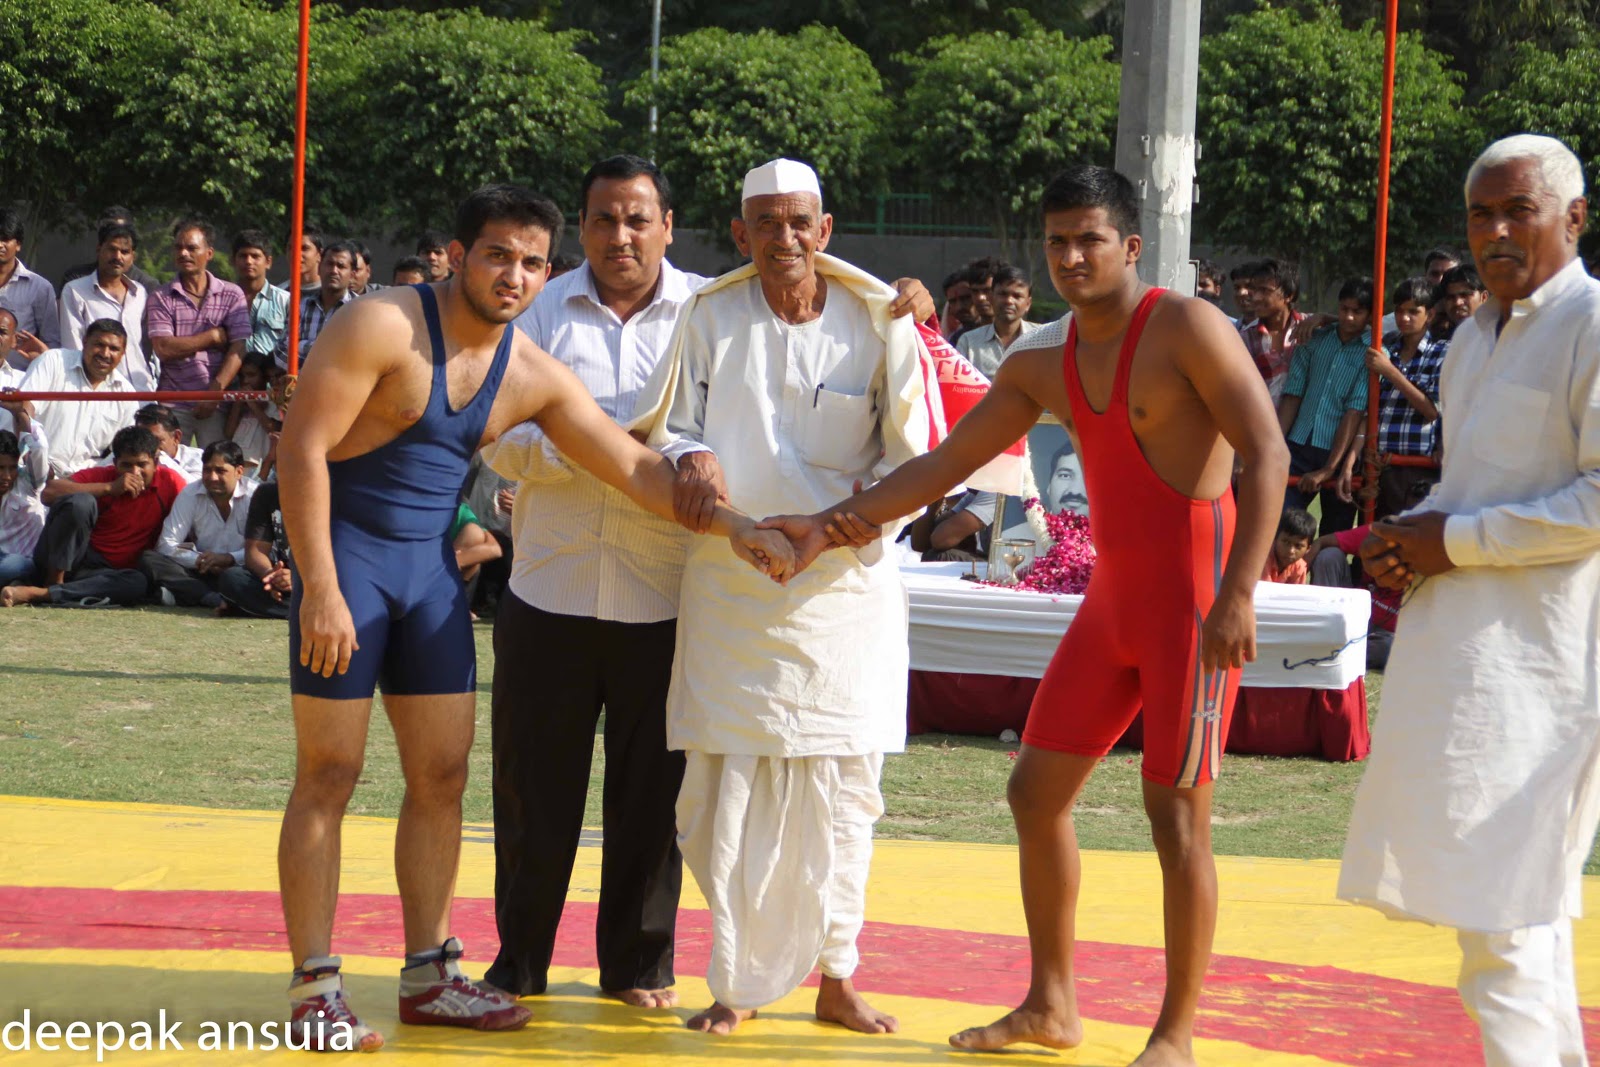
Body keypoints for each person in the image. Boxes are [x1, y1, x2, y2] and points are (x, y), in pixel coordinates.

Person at [762, 163, 1288, 1063]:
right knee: (1033, 791)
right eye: (1056, 241)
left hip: (1192, 609)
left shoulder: (1188, 326)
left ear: (1129, 245)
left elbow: (1267, 450)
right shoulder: (1042, 364)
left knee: (1178, 816)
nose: (1072, 256)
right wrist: (829, 524)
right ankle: (1052, 1003)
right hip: (1114, 604)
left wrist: (1239, 591)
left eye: (1090, 238)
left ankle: (1178, 1033)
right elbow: (938, 468)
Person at [273, 183, 791, 1051]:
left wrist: (741, 529)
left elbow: (632, 467)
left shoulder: (528, 371)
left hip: (428, 581)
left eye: (531, 261)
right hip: (351, 567)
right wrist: (319, 585)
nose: (514, 275)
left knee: (441, 778)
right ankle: (313, 984)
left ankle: (429, 973)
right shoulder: (381, 325)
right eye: (497, 255)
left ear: (548, 270)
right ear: (457, 254)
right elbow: (301, 446)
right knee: (329, 772)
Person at [483, 154, 933, 1012]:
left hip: (719, 597)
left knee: (691, 800)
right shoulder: (564, 311)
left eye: (638, 219)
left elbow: (910, 454)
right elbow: (513, 434)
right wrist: (617, 453)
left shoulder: (780, 311)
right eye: (604, 220)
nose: (621, 235)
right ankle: (528, 964)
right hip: (580, 586)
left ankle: (652, 966)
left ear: (668, 225)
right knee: (556, 794)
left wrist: (677, 461)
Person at [629, 157, 939, 1037]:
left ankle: (838, 976)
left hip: (844, 590)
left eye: (799, 221)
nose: (785, 238)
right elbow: (672, 423)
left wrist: (841, 522)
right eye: (765, 222)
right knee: (718, 793)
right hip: (734, 579)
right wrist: (693, 454)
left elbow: (912, 453)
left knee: (845, 792)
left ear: (826, 229)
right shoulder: (709, 314)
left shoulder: (880, 317)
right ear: (740, 234)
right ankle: (734, 980)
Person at [1340, 133, 1600, 1067]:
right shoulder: (1472, 338)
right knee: (1519, 911)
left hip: (1546, 666)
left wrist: (1450, 540)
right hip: (1467, 655)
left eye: (1516, 211)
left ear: (1574, 218)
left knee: (1505, 910)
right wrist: (1409, 543)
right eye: (1480, 215)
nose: (1494, 233)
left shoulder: (1592, 326)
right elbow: (1473, 484)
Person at [3, 426, 182, 608]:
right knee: (81, 502)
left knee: (137, 582)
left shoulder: (170, 482)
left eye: (142, 465)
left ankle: (42, 594)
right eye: (126, 465)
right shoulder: (103, 476)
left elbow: (190, 516)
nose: (134, 473)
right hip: (72, 558)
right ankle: (53, 582)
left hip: (107, 574)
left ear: (156, 462)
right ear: (115, 462)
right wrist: (109, 488)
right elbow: (49, 493)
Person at [1277, 277, 1373, 536]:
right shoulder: (1313, 340)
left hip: (1339, 457)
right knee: (1280, 528)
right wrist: (1276, 444)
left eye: (1358, 311)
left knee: (1333, 537)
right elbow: (1293, 394)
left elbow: (1354, 412)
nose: (1349, 317)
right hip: (1298, 446)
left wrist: (1330, 469)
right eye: (1344, 309)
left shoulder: (1373, 353)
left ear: (1370, 315)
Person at [145, 220, 250, 446]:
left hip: (217, 402)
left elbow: (238, 347)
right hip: (172, 402)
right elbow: (163, 348)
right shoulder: (160, 297)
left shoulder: (232, 294)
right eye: (178, 248)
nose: (184, 253)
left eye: (192, 248)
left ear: (209, 253)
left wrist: (214, 393)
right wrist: (211, 337)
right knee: (168, 470)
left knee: (217, 469)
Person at [1364, 276, 1446, 519]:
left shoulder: (1441, 352)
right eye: (1399, 311)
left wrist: (1390, 371)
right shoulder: (1387, 346)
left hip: (1415, 465)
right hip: (1378, 464)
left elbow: (1431, 411)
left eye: (1413, 311)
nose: (1404, 318)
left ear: (1429, 315)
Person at [139, 440, 254, 608]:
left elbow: (266, 550)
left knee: (240, 576)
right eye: (207, 470)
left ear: (239, 472)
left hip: (239, 571)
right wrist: (200, 561)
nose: (212, 477)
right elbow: (166, 544)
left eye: (220, 471)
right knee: (149, 559)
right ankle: (209, 598)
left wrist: (228, 559)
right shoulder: (190, 493)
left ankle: (188, 595)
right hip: (202, 571)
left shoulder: (255, 496)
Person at [20, 320, 139, 478]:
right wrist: (36, 460)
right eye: (99, 344)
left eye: (114, 349)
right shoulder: (53, 361)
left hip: (88, 480)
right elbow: (24, 409)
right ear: (85, 342)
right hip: (36, 471)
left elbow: (123, 450)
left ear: (123, 353)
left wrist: (92, 476)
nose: (105, 354)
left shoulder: (127, 395)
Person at [59, 221, 152, 388]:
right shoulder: (75, 291)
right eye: (112, 249)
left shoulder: (140, 293)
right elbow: (73, 349)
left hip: (141, 389)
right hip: (98, 390)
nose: (118, 257)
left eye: (125, 252)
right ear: (99, 249)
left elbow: (145, 346)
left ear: (133, 257)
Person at [216, 479, 291, 619]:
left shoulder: (331, 491)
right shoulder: (268, 493)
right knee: (232, 579)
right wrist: (270, 576)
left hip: (322, 580)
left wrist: (299, 579)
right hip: (282, 582)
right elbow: (255, 551)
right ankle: (300, 608)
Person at [279, 240, 356, 370]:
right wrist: (311, 371)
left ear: (352, 274)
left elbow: (356, 354)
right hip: (302, 383)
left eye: (341, 266)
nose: (334, 271)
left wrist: (303, 346)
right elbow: (281, 349)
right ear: (319, 268)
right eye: (329, 264)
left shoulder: (359, 310)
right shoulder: (300, 307)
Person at [1238, 259, 1306, 402]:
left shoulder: (1308, 327)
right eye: (1254, 290)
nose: (1256, 298)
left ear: (1289, 295)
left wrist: (1323, 318)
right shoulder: (1245, 338)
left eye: (1265, 291)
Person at [957, 264, 1039, 378]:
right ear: (991, 297)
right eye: (1003, 294)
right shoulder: (969, 342)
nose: (1009, 301)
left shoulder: (1042, 338)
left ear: (1028, 304)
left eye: (1017, 296)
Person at [0, 208, 60, 352]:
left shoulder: (39, 288)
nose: (0, 244)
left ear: (18, 244)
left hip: (21, 373)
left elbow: (52, 342)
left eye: (5, 239)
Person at [232, 230, 290, 364]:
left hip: (271, 381)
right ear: (233, 260)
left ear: (268, 262)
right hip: (231, 381)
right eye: (243, 256)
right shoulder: (222, 300)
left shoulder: (286, 300)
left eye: (255, 256)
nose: (248, 261)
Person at [0, 425, 48, 586]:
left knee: (11, 567)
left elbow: (40, 447)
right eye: (0, 468)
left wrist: (22, 414)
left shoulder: (29, 483)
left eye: (12, 468)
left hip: (23, 561)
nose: (6, 476)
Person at [224, 358, 277, 474]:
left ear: (265, 377)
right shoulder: (239, 402)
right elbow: (229, 433)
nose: (246, 381)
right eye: (242, 377)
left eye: (251, 375)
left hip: (259, 465)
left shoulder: (272, 400)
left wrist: (252, 403)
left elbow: (272, 429)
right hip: (237, 463)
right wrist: (237, 405)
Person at [130, 403, 204, 484]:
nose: (148, 446)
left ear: (176, 437)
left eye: (156, 440)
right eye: (142, 440)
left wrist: (162, 460)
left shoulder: (199, 457)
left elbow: (195, 489)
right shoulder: (125, 454)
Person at [1262, 507, 1314, 584]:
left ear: (1308, 549)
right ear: (1275, 538)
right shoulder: (1262, 558)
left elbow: (1296, 595)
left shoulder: (1299, 568)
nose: (1291, 550)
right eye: (1286, 542)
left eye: (1298, 546)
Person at [942, 269, 977, 341]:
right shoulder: (955, 340)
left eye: (965, 298)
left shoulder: (1000, 332)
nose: (959, 307)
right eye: (953, 301)